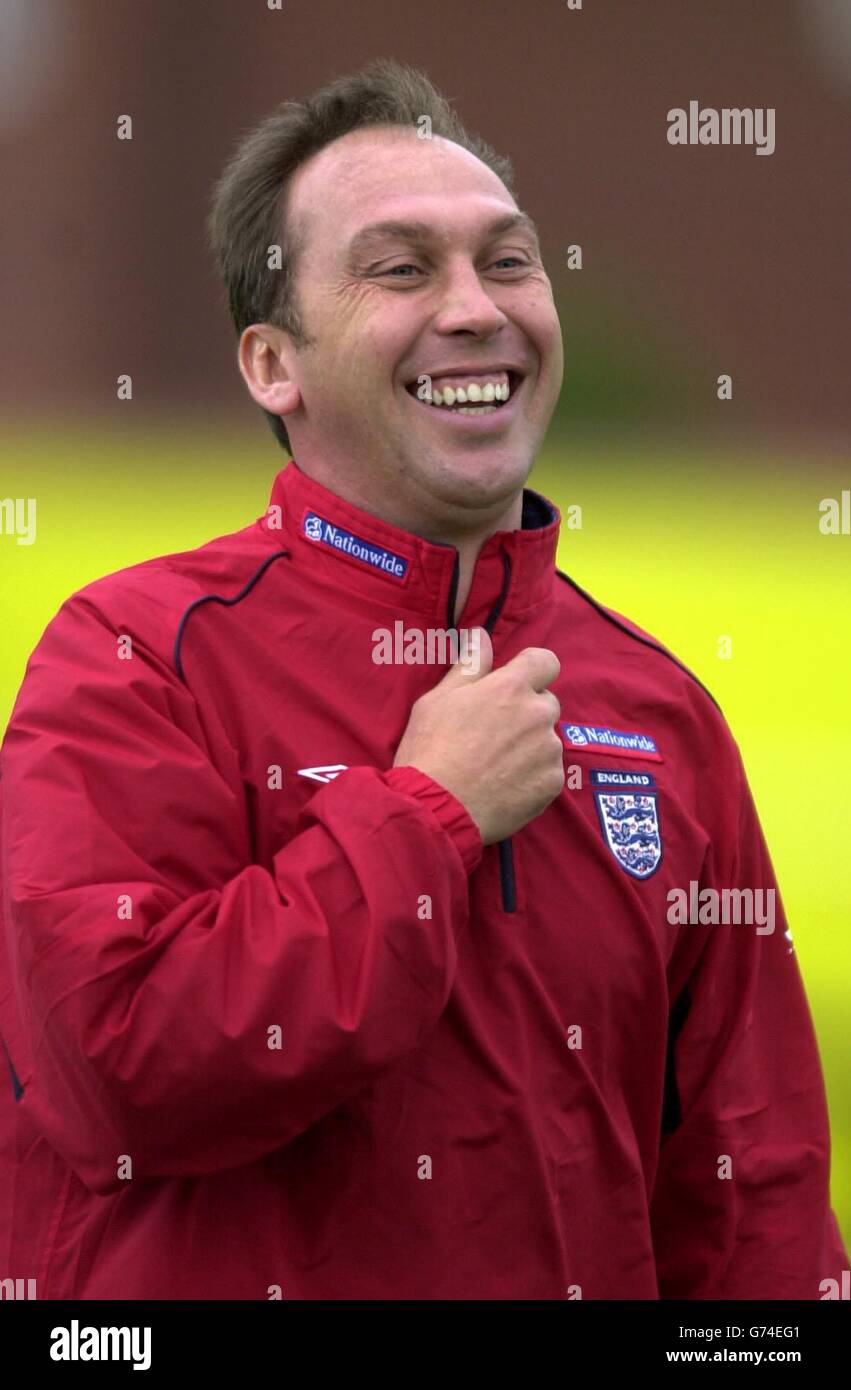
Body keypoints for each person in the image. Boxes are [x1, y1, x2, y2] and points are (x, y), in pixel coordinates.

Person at [0, 58, 846, 1301]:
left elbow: (749, 1189)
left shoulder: (660, 713)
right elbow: (117, 1073)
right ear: (270, 365)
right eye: (401, 270)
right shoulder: (135, 654)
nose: (476, 309)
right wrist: (424, 815)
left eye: (506, 262)